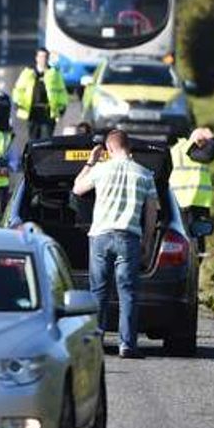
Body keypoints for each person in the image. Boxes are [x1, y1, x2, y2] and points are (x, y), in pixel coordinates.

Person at [71, 128, 158, 358]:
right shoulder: (145, 174)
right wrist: (147, 241)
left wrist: (90, 162)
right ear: (128, 147)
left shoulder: (101, 169)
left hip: (100, 236)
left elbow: (77, 188)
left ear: (109, 148)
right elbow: (151, 212)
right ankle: (127, 344)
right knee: (127, 292)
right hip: (129, 237)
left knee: (98, 291)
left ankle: (95, 343)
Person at [171, 126, 214, 247]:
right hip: (189, 201)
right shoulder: (187, 147)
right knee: (192, 241)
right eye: (204, 140)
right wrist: (212, 139)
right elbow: (208, 156)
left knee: (193, 239)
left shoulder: (178, 147)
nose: (205, 144)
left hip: (191, 201)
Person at [13, 49, 68, 142]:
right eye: (41, 57)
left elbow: (61, 91)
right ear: (36, 58)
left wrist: (62, 107)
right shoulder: (28, 72)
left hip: (48, 111)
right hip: (32, 111)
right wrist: (18, 103)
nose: (43, 59)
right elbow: (19, 89)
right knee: (33, 140)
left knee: (46, 140)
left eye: (45, 57)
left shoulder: (54, 73)